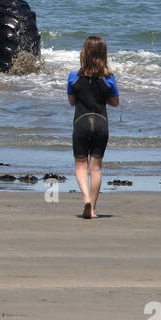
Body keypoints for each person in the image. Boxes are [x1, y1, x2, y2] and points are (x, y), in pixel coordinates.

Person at [67, 35, 120, 220]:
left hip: (80, 122)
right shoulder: (108, 78)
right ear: (103, 55)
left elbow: (72, 102)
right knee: (95, 168)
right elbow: (115, 103)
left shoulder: (74, 77)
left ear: (84, 53)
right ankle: (93, 208)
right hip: (100, 123)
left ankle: (86, 199)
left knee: (80, 164)